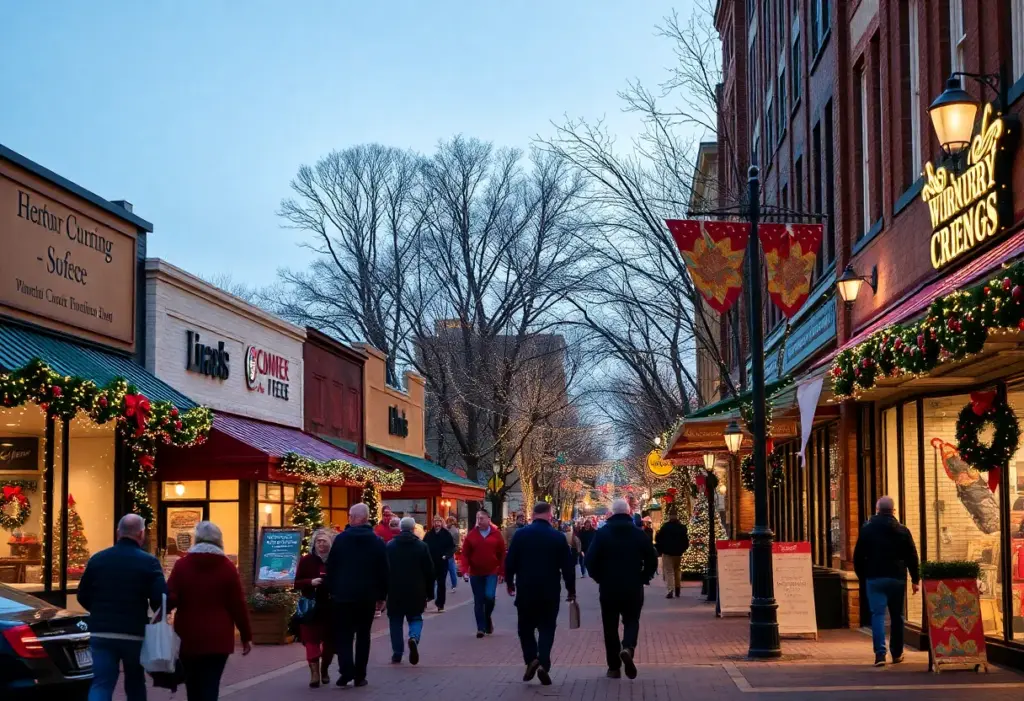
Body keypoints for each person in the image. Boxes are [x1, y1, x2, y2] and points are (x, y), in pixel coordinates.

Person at [78, 514, 166, 701]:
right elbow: (160, 599)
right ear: (141, 534)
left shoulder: (98, 559)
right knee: (135, 682)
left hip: (101, 632)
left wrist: (98, 611)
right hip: (133, 633)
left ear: (118, 533)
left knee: (101, 683)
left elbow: (82, 594)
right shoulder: (149, 562)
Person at [167, 521, 252, 701]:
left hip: (188, 636)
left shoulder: (182, 565)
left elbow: (171, 597)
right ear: (219, 540)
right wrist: (246, 635)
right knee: (211, 684)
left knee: (193, 686)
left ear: (196, 539)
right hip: (218, 638)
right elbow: (238, 604)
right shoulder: (227, 567)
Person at [585, 498, 658, 680]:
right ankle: (628, 647)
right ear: (628, 512)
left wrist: (598, 577)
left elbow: (590, 560)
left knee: (610, 627)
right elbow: (652, 558)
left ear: (612, 513)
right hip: (633, 585)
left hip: (609, 587)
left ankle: (614, 668)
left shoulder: (602, 534)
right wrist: (644, 577)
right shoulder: (638, 533)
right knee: (632, 620)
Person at [505, 503, 576, 686]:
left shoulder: (520, 535)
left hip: (526, 589)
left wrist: (509, 582)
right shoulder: (558, 537)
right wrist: (571, 589)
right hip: (550, 590)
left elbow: (510, 560)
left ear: (533, 515)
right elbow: (567, 567)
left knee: (525, 628)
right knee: (547, 627)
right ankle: (543, 662)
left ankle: (531, 659)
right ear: (550, 515)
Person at [327, 503, 389, 687]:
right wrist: (381, 596)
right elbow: (384, 570)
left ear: (354, 518)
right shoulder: (376, 541)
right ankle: (360, 675)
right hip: (367, 596)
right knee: (363, 635)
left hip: (344, 595)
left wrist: (333, 590)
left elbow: (332, 567)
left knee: (344, 635)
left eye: (349, 516)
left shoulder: (341, 540)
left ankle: (346, 670)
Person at [854, 495, 921, 667]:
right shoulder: (902, 530)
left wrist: (863, 577)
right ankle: (897, 653)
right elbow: (912, 556)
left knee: (878, 615)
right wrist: (915, 579)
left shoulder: (867, 529)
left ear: (877, 510)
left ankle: (880, 655)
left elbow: (858, 556)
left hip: (874, 578)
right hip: (896, 578)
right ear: (894, 511)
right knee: (897, 616)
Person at [385, 517, 435, 665]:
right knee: (415, 618)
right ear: (414, 529)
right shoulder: (421, 546)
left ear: (400, 528)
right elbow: (429, 571)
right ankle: (413, 637)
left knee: (395, 621)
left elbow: (384, 569)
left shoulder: (390, 546)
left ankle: (397, 653)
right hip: (416, 590)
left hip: (395, 590)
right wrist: (430, 592)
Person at [295, 528, 336, 687]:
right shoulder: (306, 560)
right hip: (311, 606)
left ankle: (325, 668)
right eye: (318, 541)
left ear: (330, 543)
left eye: (324, 541)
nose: (321, 544)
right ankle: (314, 673)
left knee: (330, 642)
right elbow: (295, 582)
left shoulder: (334, 560)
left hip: (331, 606)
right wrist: (310, 582)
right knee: (311, 640)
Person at [461, 508, 506, 638]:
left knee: (490, 596)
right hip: (476, 573)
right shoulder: (471, 535)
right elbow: (465, 555)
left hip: (491, 572)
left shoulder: (496, 535)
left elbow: (502, 554)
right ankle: (480, 628)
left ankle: (487, 617)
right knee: (478, 600)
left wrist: (502, 572)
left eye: (481, 518)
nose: (479, 521)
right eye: (477, 518)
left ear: (488, 519)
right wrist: (465, 570)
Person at [654, 507, 689, 599]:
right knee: (677, 570)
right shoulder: (682, 528)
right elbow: (686, 541)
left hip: (667, 552)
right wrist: (682, 550)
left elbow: (658, 539)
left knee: (669, 571)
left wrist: (661, 549)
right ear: (677, 516)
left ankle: (670, 590)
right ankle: (677, 588)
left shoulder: (665, 527)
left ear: (669, 516)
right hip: (678, 553)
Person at [423, 515, 456, 612]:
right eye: (435, 522)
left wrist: (446, 555)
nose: (437, 524)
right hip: (431, 562)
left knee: (441, 584)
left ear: (441, 523)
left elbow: (452, 547)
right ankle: (427, 598)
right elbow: (424, 546)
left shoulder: (446, 534)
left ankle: (440, 604)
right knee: (429, 582)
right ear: (433, 523)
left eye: (439, 522)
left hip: (442, 562)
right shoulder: (429, 534)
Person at [446, 516, 461, 590]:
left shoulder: (451, 530)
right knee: (452, 568)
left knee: (451, 568)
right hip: (451, 550)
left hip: (448, 550)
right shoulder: (455, 529)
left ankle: (453, 584)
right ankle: (454, 584)